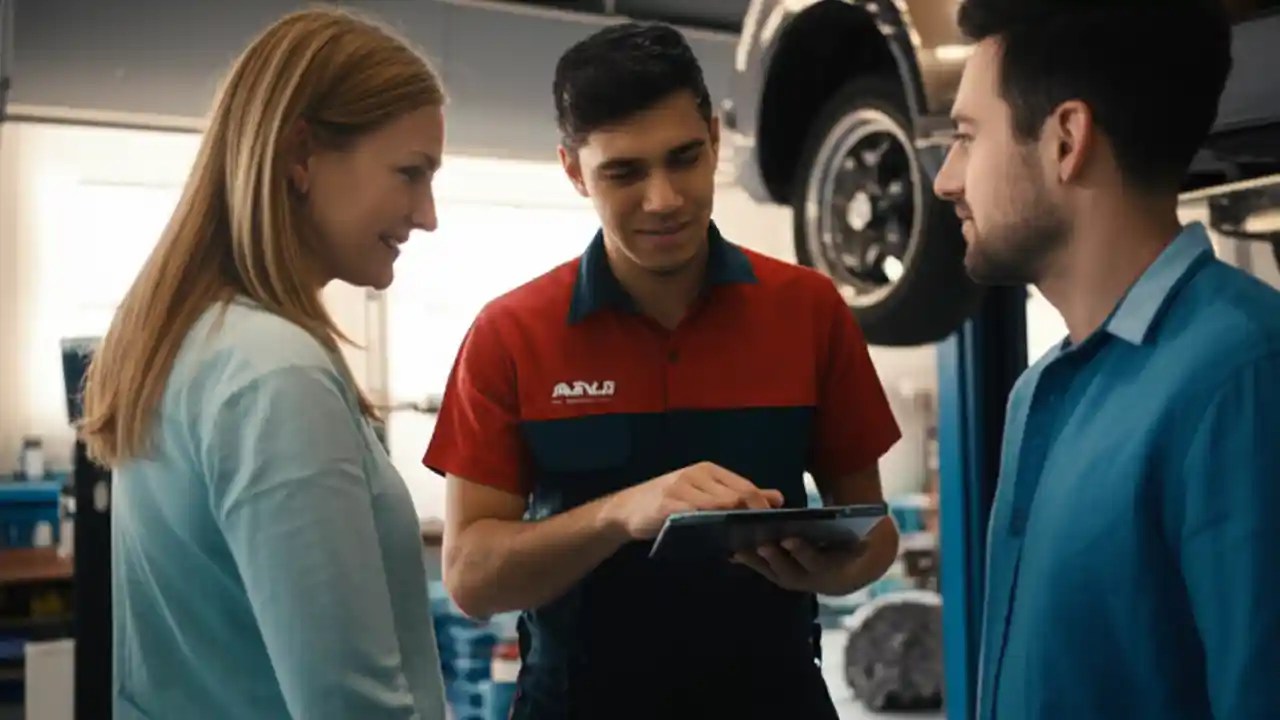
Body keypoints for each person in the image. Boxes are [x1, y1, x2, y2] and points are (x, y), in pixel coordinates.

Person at [424, 22, 902, 720]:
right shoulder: (511, 334)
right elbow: (472, 578)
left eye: (684, 157)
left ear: (714, 137)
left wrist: (834, 565)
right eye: (625, 171)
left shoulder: (809, 311)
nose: (665, 199)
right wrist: (622, 514)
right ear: (572, 169)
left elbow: (876, 534)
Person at [79, 8, 448, 719]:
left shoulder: (192, 341)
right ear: (300, 155)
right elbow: (352, 705)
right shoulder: (275, 374)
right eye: (410, 173)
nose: (427, 213)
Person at [932, 1, 1280, 719]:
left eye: (967, 138)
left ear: (1066, 139)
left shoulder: (1243, 374)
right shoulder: (1040, 391)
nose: (946, 179)